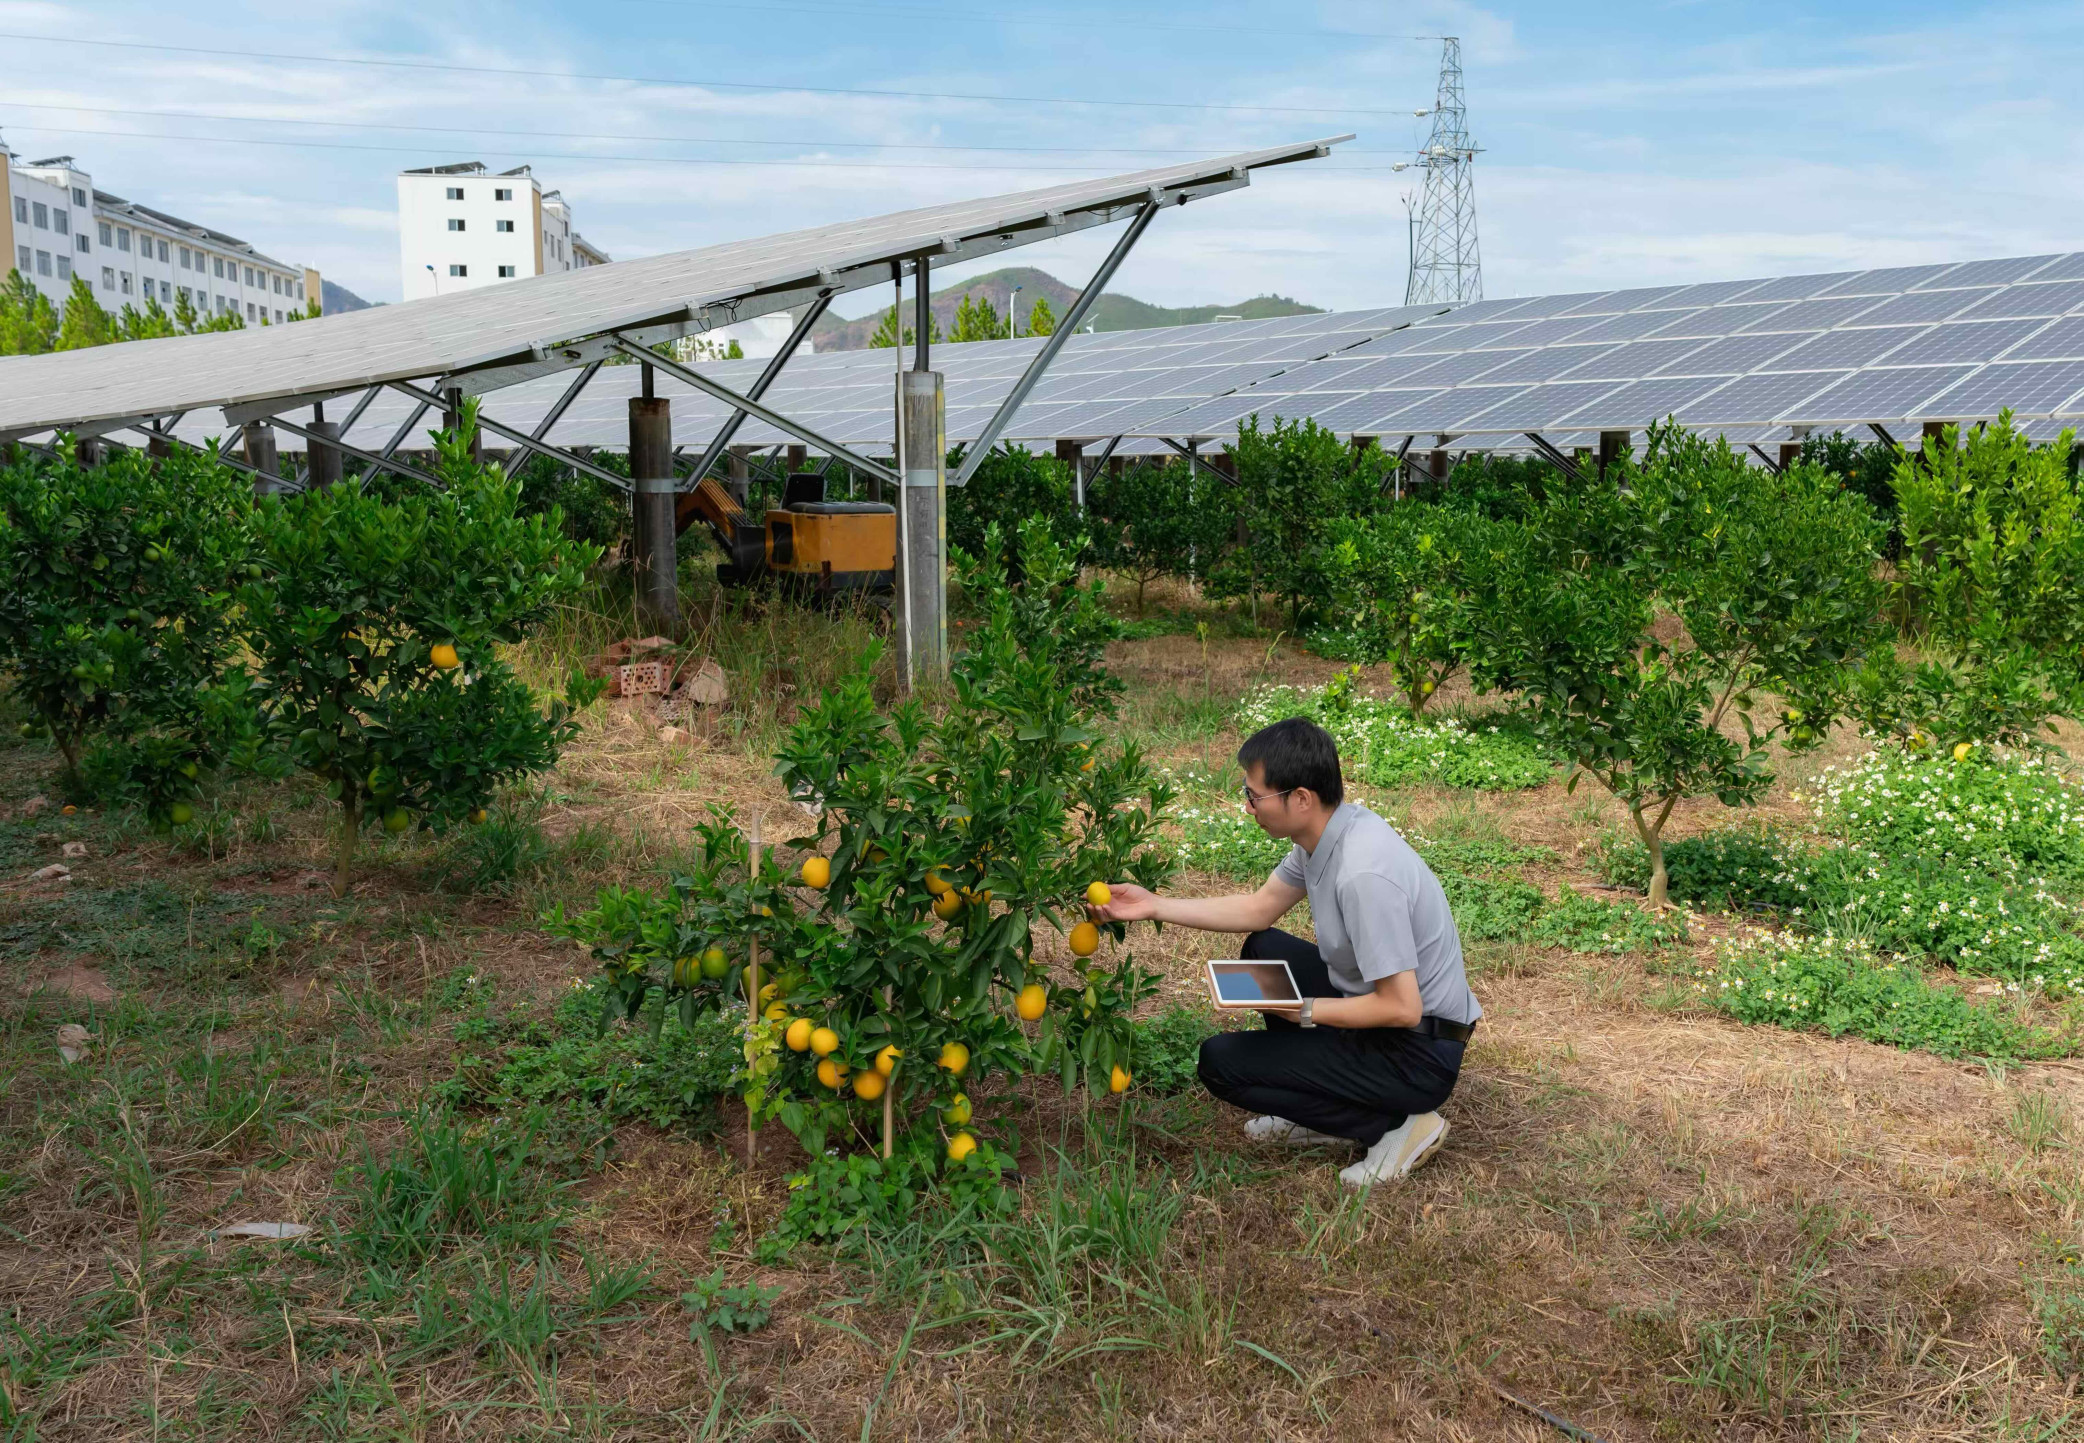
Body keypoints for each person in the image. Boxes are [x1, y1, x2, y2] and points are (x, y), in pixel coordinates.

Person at [1094, 716, 1478, 1189]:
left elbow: (1402, 1007)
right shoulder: (1326, 834)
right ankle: (1328, 1100)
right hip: (1392, 1024)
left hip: (1419, 1051)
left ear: (1300, 798)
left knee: (1222, 1063)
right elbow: (1259, 909)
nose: (1248, 806)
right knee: (1264, 947)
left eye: (1254, 796)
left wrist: (1306, 1012)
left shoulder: (1363, 875)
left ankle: (1397, 1125)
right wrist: (1153, 905)